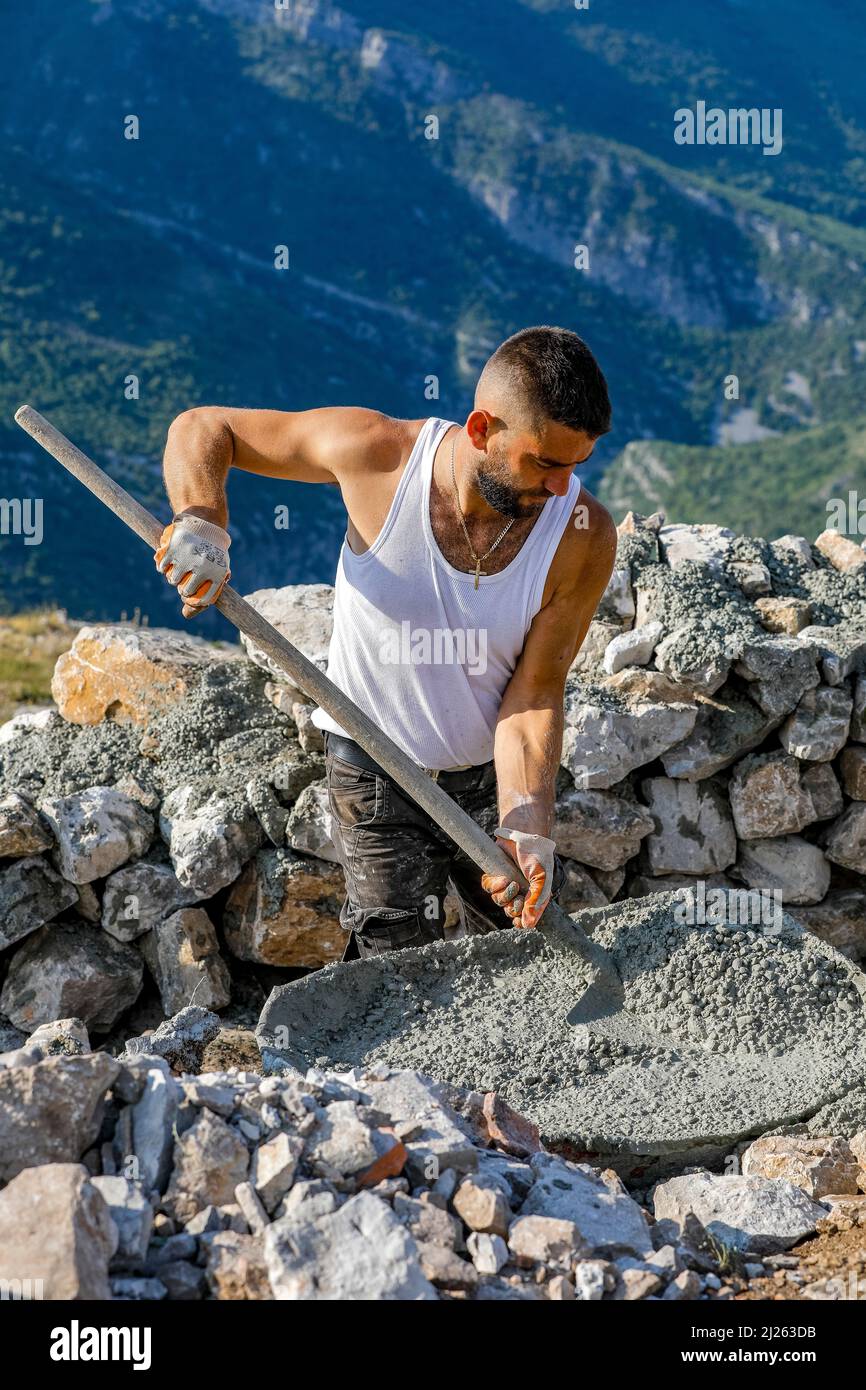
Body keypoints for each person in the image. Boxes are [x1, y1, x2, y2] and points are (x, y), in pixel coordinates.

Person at [155, 325, 616, 958]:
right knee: (394, 963)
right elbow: (204, 428)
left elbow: (534, 694)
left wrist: (527, 825)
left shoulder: (582, 537)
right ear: (482, 429)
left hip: (488, 781)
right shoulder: (380, 457)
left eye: (576, 465)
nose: (563, 486)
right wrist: (201, 522)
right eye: (546, 462)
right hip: (372, 770)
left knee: (523, 953)